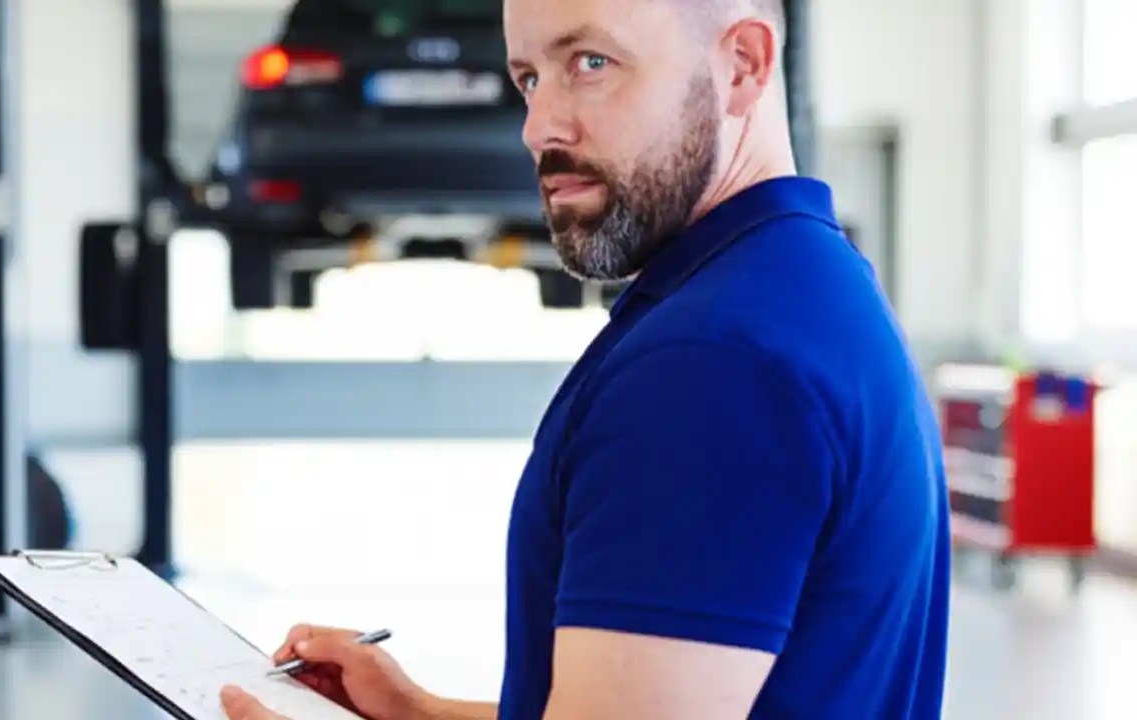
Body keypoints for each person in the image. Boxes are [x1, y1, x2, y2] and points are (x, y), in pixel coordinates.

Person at [222, 0, 950, 717]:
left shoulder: (711, 367)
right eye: (530, 78)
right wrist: (420, 714)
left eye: (590, 64)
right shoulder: (799, 285)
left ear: (742, 65)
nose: (541, 128)